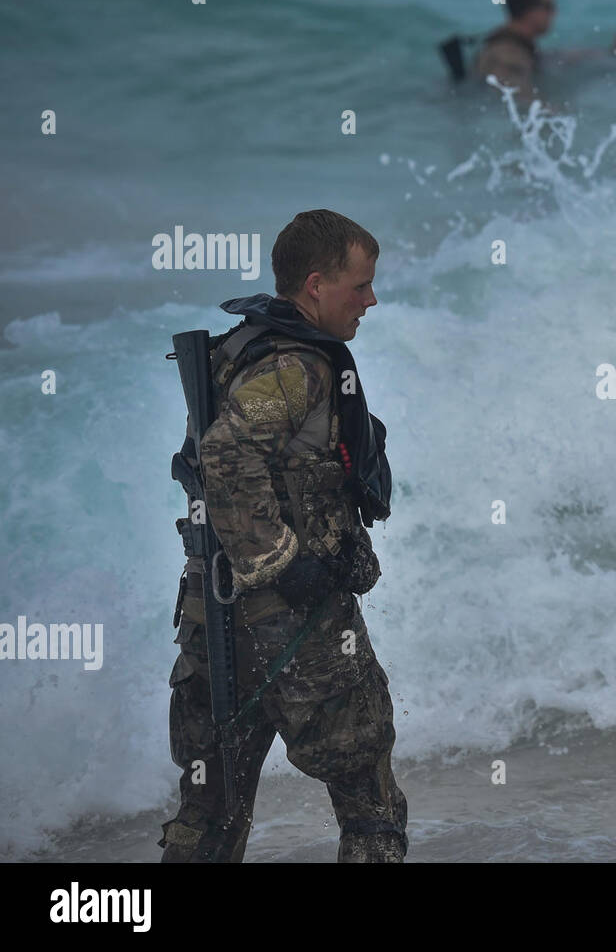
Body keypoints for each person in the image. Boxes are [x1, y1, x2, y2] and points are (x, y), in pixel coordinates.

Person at [160, 209, 407, 863]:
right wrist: (281, 561)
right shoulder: (297, 367)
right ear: (317, 284)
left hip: (211, 621)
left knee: (206, 820)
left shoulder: (240, 351)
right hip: (297, 627)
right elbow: (228, 457)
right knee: (371, 815)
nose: (371, 300)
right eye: (360, 285)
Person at [473, 0, 556, 103]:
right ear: (530, 10)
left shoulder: (513, 45)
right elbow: (518, 98)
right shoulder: (507, 57)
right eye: (548, 6)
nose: (554, 13)